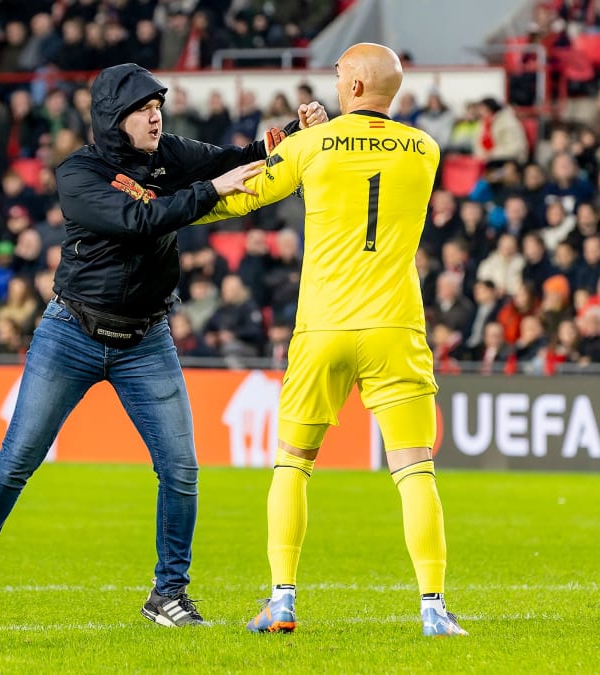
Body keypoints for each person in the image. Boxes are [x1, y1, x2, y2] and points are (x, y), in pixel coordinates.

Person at [0, 63, 327, 628]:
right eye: (144, 108)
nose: (156, 115)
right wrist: (209, 192)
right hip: (71, 333)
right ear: (115, 119)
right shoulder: (79, 173)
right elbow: (139, 219)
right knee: (17, 459)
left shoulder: (170, 153)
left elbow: (234, 157)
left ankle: (168, 595)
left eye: (158, 105)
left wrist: (297, 128)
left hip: (146, 339)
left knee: (182, 470)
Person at [194, 43, 467, 637]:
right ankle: (433, 609)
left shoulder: (309, 145)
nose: (337, 81)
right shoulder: (426, 149)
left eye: (342, 75)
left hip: (323, 327)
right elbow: (367, 156)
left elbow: (243, 193)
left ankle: (283, 600)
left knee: (292, 463)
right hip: (395, 325)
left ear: (357, 88)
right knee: (416, 470)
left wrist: (181, 211)